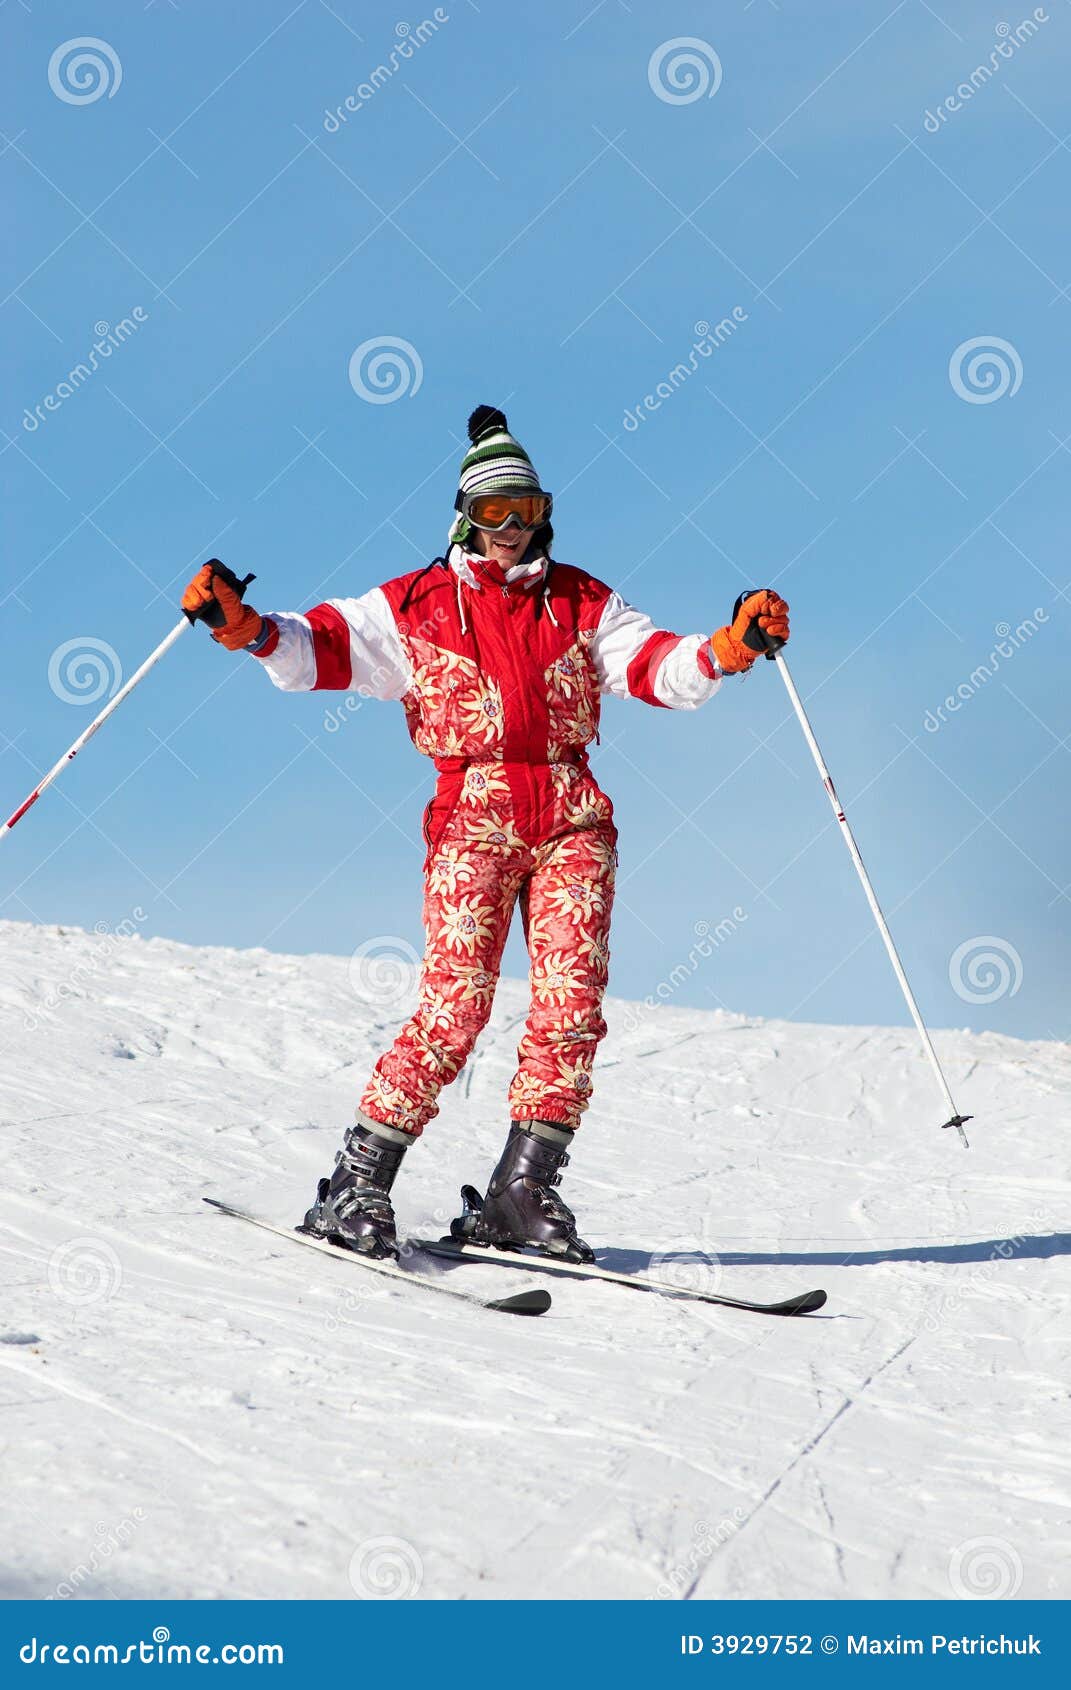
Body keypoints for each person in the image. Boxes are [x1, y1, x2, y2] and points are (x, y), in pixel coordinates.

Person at [181, 406, 790, 1263]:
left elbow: (654, 664)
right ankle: (358, 1181)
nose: (513, 529)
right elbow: (318, 645)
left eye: (529, 510)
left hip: (573, 818)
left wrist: (728, 647)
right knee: (456, 1007)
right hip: (474, 816)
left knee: (571, 1007)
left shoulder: (581, 601)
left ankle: (522, 1189)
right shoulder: (415, 605)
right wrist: (244, 627)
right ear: (466, 515)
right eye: (496, 512)